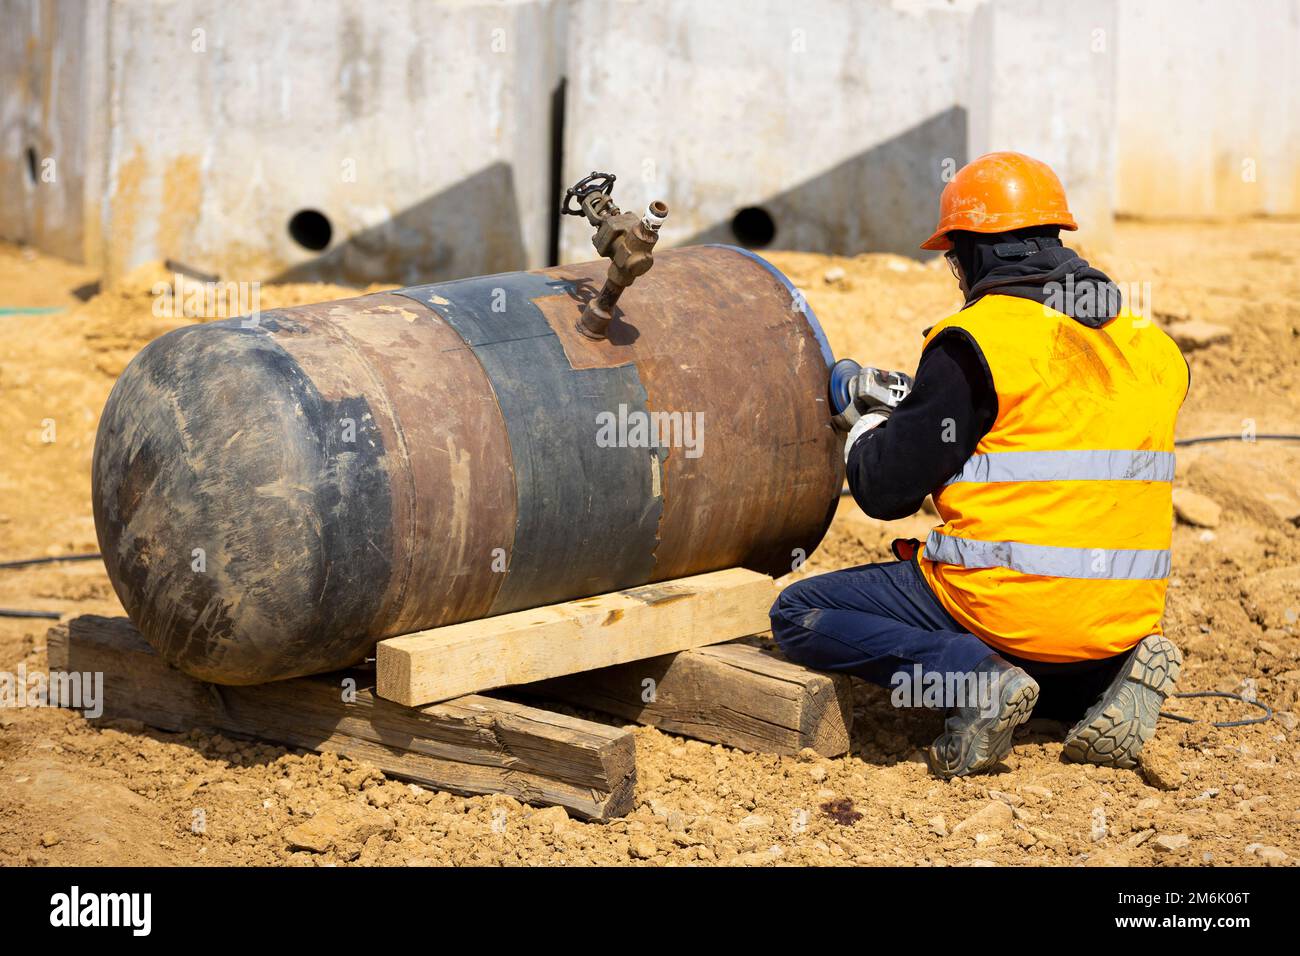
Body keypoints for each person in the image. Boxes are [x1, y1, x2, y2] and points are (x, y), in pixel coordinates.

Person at [770, 151, 1188, 778]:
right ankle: (1101, 682)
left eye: (953, 256)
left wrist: (866, 426)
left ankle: (972, 681)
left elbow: (884, 491)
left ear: (975, 252)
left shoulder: (977, 342)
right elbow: (1044, 433)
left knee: (798, 614)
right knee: (1055, 641)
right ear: (1052, 239)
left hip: (1003, 608)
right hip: (1112, 620)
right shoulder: (1152, 347)